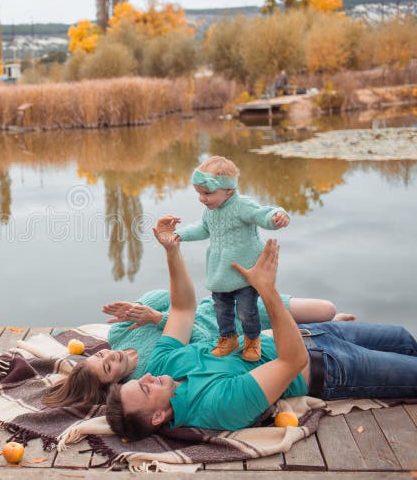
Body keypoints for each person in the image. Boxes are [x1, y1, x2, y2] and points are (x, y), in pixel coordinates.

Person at [104, 217, 417, 440]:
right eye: (145, 388)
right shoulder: (216, 406)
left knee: (404, 338)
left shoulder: (162, 366)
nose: (145, 375)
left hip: (321, 334)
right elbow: (291, 361)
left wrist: (172, 250)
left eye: (141, 380)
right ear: (158, 416)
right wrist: (266, 292)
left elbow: (183, 309)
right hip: (333, 368)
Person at [42, 289, 343, 409]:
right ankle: (305, 330)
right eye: (107, 367)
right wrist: (160, 320)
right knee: (327, 315)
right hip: (231, 329)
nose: (109, 355)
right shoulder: (152, 371)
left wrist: (143, 308)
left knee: (326, 309)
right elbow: (202, 344)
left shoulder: (120, 333)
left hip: (219, 306)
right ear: (115, 383)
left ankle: (312, 327)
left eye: (100, 355)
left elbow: (172, 297)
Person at [174, 155, 289, 362]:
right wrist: (180, 234)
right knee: (221, 309)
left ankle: (252, 340)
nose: (202, 198)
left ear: (228, 190)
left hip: (245, 271)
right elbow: (202, 229)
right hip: (220, 271)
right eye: (199, 193)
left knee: (246, 311)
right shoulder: (210, 211)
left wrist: (276, 216)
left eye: (207, 193)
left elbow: (262, 215)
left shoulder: (242, 205)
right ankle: (228, 338)